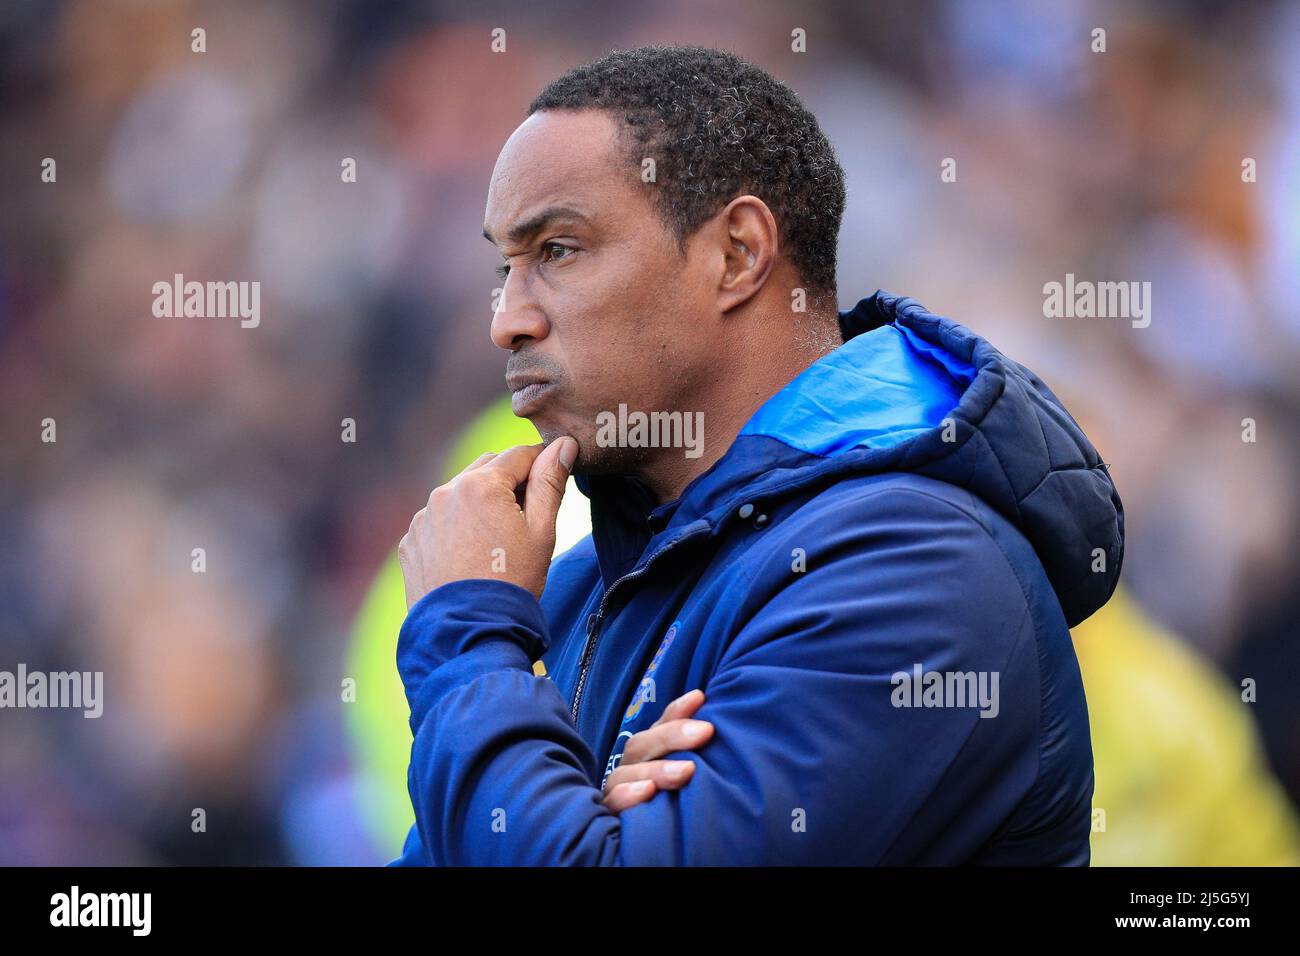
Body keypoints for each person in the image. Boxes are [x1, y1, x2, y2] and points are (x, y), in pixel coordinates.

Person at [389, 46, 1123, 865]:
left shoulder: (914, 568)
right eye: (505, 266)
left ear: (738, 254)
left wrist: (464, 643)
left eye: (557, 250)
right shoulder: (575, 590)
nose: (507, 320)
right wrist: (586, 815)